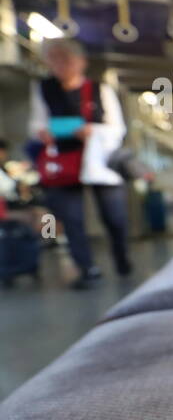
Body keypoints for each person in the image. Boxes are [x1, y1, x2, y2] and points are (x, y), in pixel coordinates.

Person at [28, 38, 132, 288]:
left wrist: (91, 131)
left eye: (66, 59)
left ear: (81, 62)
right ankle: (87, 268)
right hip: (63, 164)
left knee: (114, 217)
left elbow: (117, 129)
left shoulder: (100, 90)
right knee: (71, 218)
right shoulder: (43, 89)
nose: (61, 65)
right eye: (55, 59)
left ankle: (122, 258)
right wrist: (42, 132)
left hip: (100, 163)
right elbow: (35, 125)